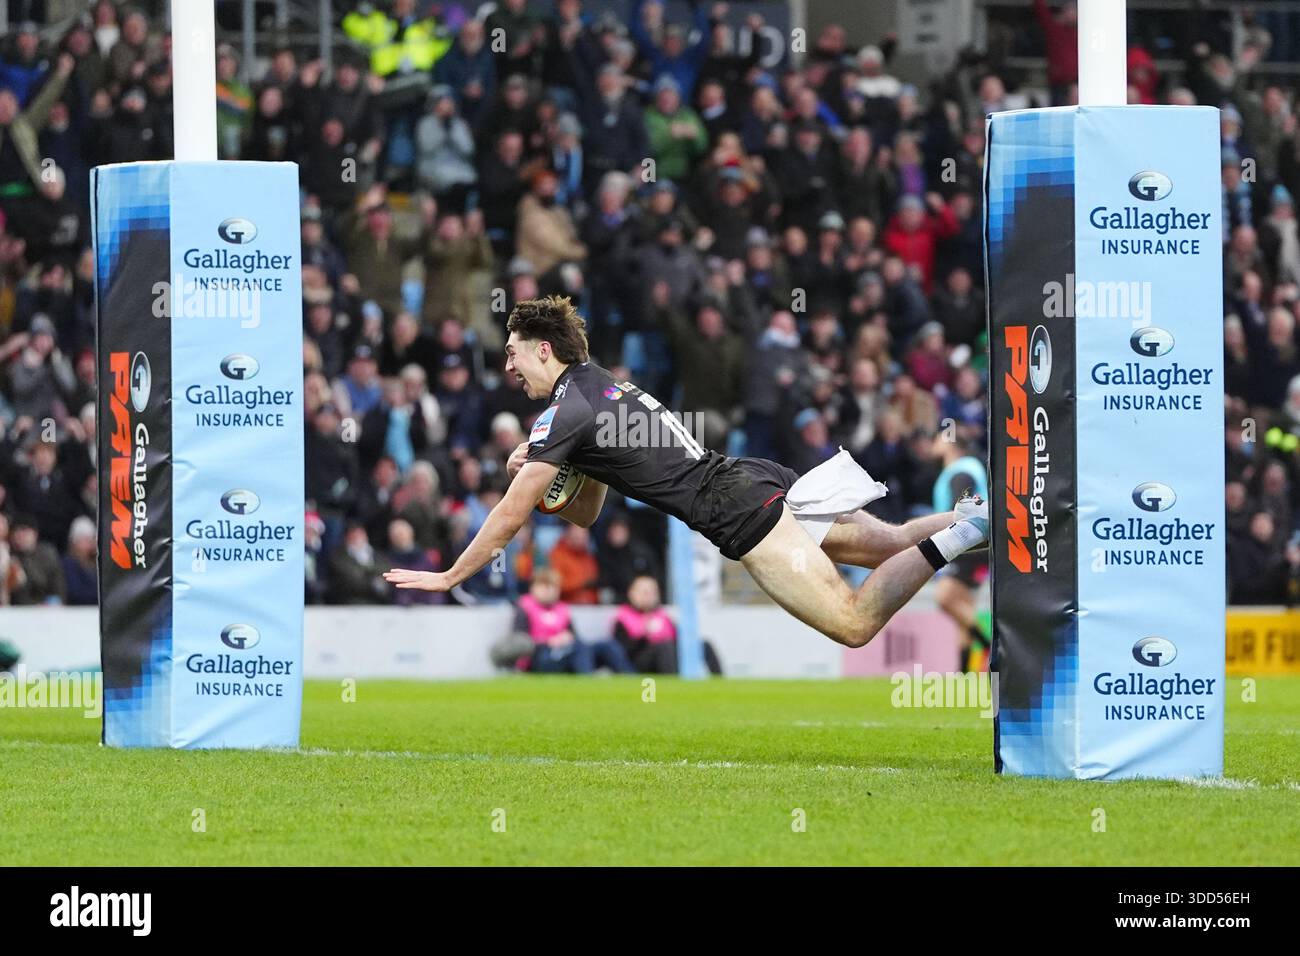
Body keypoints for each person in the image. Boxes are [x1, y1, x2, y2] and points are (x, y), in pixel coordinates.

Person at [387, 296, 988, 650]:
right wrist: (561, 473)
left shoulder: (563, 413)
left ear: (544, 349)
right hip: (751, 477)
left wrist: (450, 575)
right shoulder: (599, 386)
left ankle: (966, 532)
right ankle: (983, 520)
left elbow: (508, 515)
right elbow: (588, 512)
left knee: (853, 624)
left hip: (736, 509)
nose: (508, 367)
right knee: (890, 543)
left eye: (513, 352)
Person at [927, 431, 990, 672]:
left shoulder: (960, 471)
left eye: (940, 437)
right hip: (978, 545)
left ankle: (990, 645)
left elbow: (960, 506)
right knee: (963, 607)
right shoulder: (969, 468)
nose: (934, 441)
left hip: (968, 545)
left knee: (945, 597)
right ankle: (963, 673)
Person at [508, 568, 634, 674]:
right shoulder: (525, 606)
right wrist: (549, 641)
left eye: (553, 587)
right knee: (578, 649)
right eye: (544, 586)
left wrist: (568, 637)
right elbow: (520, 641)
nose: (548, 591)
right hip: (540, 655)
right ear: (533, 588)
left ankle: (630, 678)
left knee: (607, 645)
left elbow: (574, 636)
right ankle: (588, 681)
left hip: (566, 651)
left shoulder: (562, 609)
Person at [613, 574, 722, 675]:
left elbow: (678, 639)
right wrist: (644, 635)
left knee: (702, 645)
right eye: (645, 592)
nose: (650, 596)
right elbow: (622, 652)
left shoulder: (662, 616)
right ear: (632, 593)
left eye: (653, 592)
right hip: (640, 661)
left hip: (668, 654)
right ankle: (673, 682)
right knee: (664, 646)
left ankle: (720, 680)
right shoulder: (624, 618)